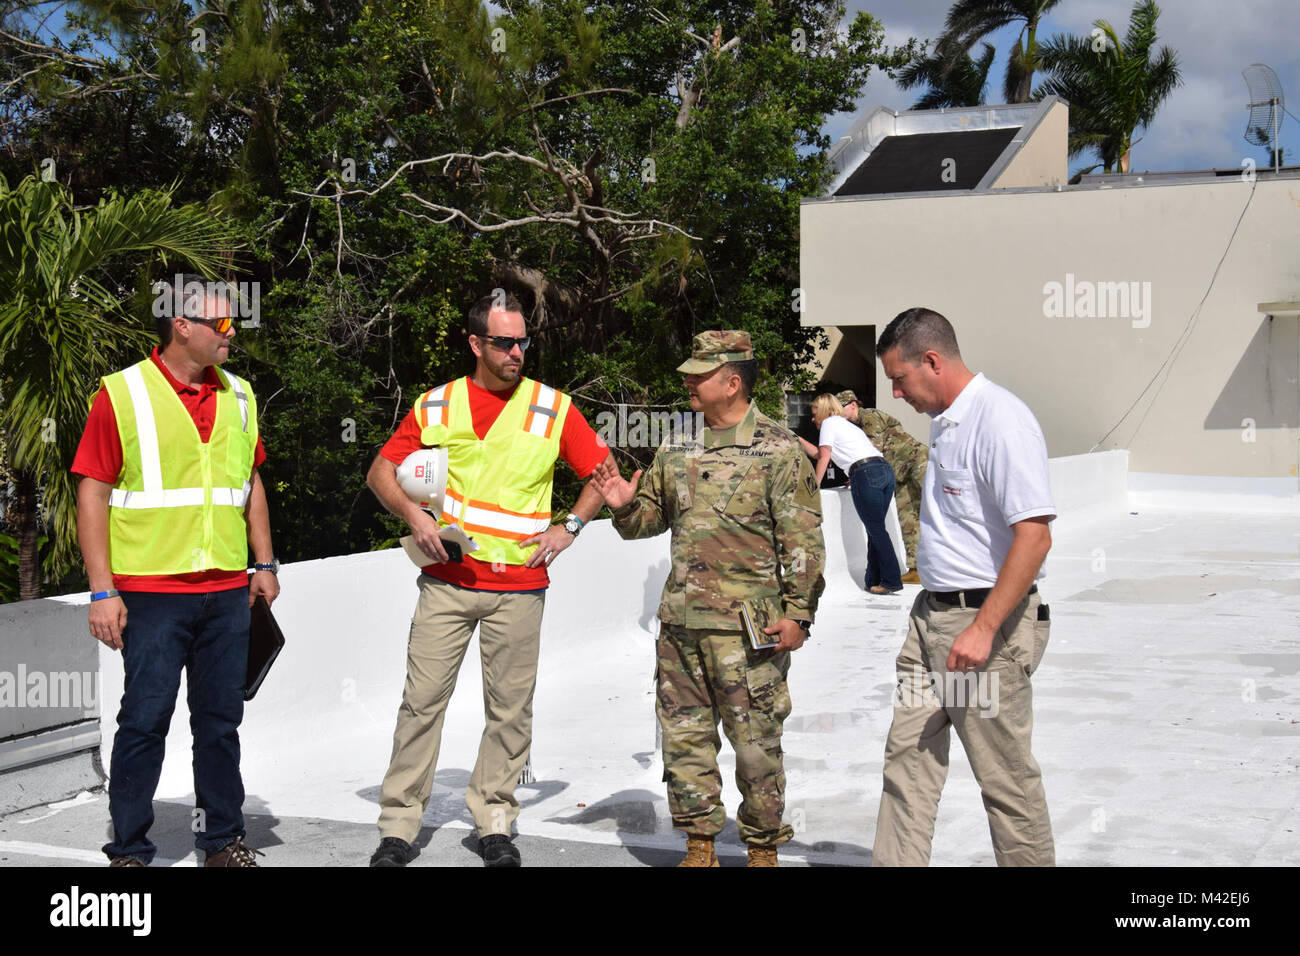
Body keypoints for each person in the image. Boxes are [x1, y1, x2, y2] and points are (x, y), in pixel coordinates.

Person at [366, 291, 615, 868]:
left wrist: (569, 527)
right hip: (448, 583)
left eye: (523, 341)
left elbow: (603, 474)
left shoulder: (552, 407)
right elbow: (381, 471)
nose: (517, 352)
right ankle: (399, 826)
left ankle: (495, 820)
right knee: (421, 704)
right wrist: (414, 516)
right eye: (504, 342)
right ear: (476, 343)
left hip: (520, 588)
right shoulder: (438, 404)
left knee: (510, 710)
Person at [593, 331, 825, 868]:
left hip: (751, 632)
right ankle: (700, 846)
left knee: (756, 746)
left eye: (700, 373)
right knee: (685, 742)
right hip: (682, 626)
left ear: (733, 381)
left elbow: (803, 541)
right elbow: (647, 520)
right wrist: (625, 505)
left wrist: (799, 615)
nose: (688, 381)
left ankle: (762, 849)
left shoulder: (778, 449)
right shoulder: (677, 444)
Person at [73, 273, 279, 868]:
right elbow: (93, 491)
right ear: (180, 326)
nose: (231, 331)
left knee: (220, 725)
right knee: (144, 722)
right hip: (151, 596)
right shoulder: (123, 393)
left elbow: (250, 482)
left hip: (226, 591)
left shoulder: (241, 395)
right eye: (220, 323)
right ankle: (129, 851)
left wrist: (262, 561)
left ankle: (222, 842)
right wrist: (101, 590)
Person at [870, 307, 1055, 867]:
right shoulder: (945, 419)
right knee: (907, 764)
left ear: (932, 361)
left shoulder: (1001, 421)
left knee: (1005, 781)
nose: (897, 394)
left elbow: (1034, 538)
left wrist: (983, 628)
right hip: (929, 627)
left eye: (900, 379)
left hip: (980, 638)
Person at [798, 394, 901, 594]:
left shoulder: (828, 423)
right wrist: (799, 440)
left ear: (823, 411)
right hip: (883, 471)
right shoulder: (845, 425)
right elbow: (822, 453)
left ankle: (891, 581)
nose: (812, 419)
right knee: (875, 529)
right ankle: (873, 580)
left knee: (877, 530)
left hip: (865, 474)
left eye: (813, 414)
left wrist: (815, 488)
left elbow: (824, 457)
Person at [836, 389, 927, 584]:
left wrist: (862, 472)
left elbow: (873, 448)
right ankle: (916, 568)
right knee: (908, 520)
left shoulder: (870, 416)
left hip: (916, 461)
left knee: (940, 506)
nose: (838, 413)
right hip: (899, 472)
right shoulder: (854, 428)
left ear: (853, 404)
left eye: (840, 408)